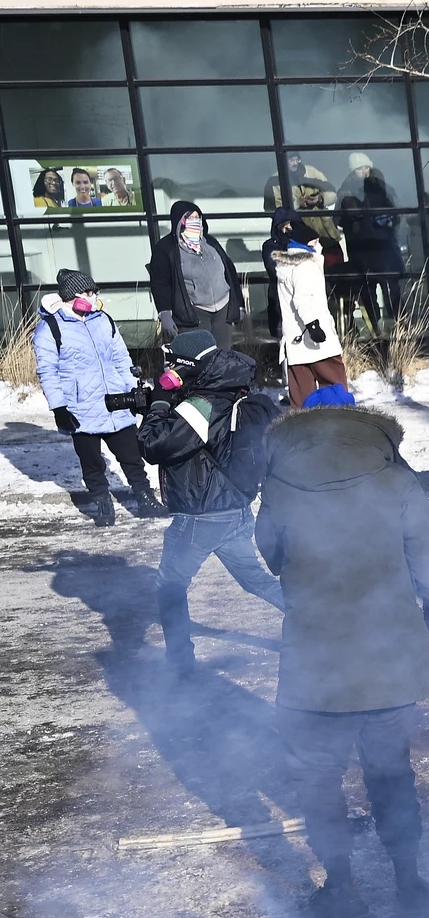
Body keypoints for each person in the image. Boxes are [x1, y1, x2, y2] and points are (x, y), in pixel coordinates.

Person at [256, 403, 429, 918]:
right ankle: (410, 882)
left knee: (317, 775)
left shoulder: (279, 484)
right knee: (390, 769)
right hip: (388, 654)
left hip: (314, 657)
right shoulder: (397, 481)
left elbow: (271, 554)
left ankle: (341, 887)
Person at [138, 329, 285, 673]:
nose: (168, 366)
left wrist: (160, 403)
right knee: (256, 581)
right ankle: (320, 626)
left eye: (173, 361)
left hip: (201, 514)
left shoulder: (201, 403)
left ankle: (179, 664)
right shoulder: (225, 389)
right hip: (232, 508)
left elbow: (155, 445)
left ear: (188, 364)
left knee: (170, 585)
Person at [37, 269, 162, 525]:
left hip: (115, 402)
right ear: (71, 296)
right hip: (80, 408)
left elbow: (120, 358)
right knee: (92, 463)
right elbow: (47, 371)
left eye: (94, 292)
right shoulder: (49, 328)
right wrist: (59, 407)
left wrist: (134, 392)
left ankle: (146, 499)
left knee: (132, 457)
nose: (93, 297)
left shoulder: (103, 319)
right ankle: (102, 503)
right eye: (87, 292)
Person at [266, 212, 347, 408]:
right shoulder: (305, 266)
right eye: (315, 241)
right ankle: (342, 420)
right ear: (307, 244)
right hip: (316, 340)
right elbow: (303, 299)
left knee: (302, 392)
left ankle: (301, 429)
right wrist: (313, 326)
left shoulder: (286, 265)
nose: (318, 244)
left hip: (296, 342)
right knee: (334, 384)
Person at [149, 202, 245, 349]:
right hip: (194, 313)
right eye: (190, 218)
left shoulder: (210, 242)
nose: (195, 221)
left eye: (197, 217)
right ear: (180, 221)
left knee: (223, 357)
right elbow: (160, 283)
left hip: (222, 309)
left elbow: (229, 271)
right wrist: (165, 313)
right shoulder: (166, 248)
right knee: (200, 357)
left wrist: (238, 305)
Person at [337, 152, 406, 334]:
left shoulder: (382, 187)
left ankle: (398, 327)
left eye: (367, 167)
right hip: (363, 249)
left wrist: (388, 223)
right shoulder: (346, 191)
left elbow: (398, 211)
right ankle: (376, 330)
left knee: (391, 290)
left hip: (383, 247)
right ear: (353, 171)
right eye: (360, 169)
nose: (365, 172)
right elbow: (341, 218)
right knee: (368, 292)